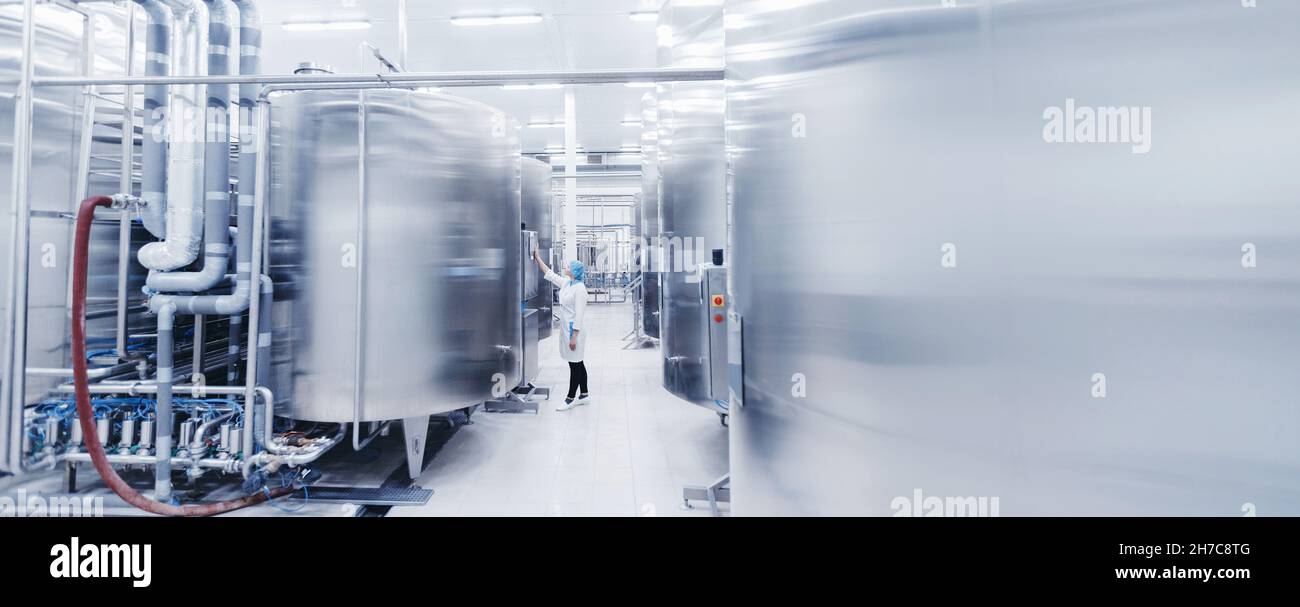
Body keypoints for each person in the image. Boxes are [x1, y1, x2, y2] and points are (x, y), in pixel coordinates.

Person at [533, 249, 590, 411]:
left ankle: (570, 398)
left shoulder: (580, 289)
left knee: (575, 364)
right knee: (578, 362)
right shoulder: (567, 283)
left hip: (575, 331)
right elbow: (550, 274)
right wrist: (537, 258)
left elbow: (579, 315)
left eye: (568, 266)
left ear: (574, 272)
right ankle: (585, 394)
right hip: (567, 329)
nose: (565, 266)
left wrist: (574, 337)